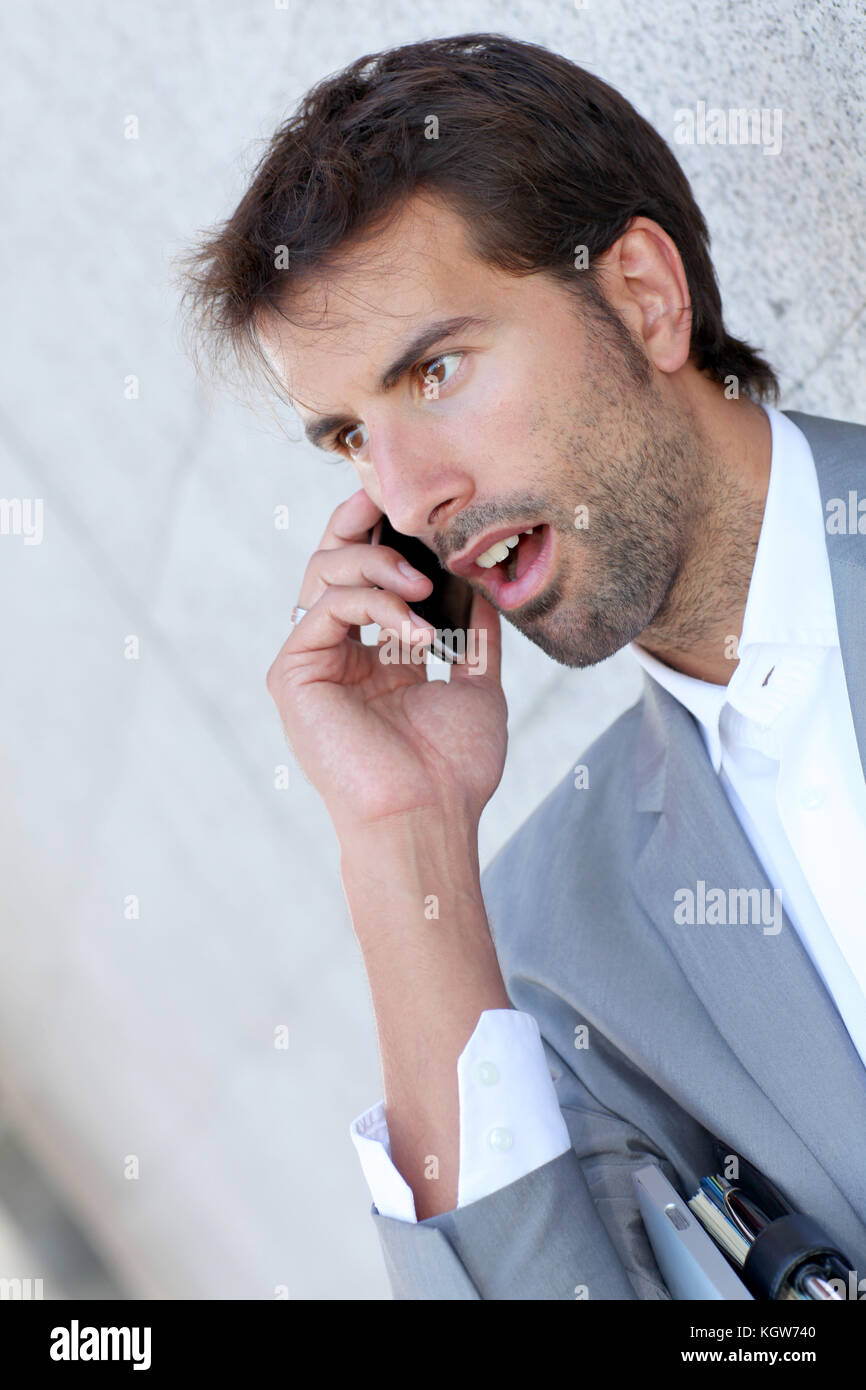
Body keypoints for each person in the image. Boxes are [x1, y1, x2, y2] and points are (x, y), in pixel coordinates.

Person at [182, 33, 866, 1299]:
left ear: (643, 298)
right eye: (348, 436)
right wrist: (404, 838)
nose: (407, 496)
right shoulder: (552, 944)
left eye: (432, 371)